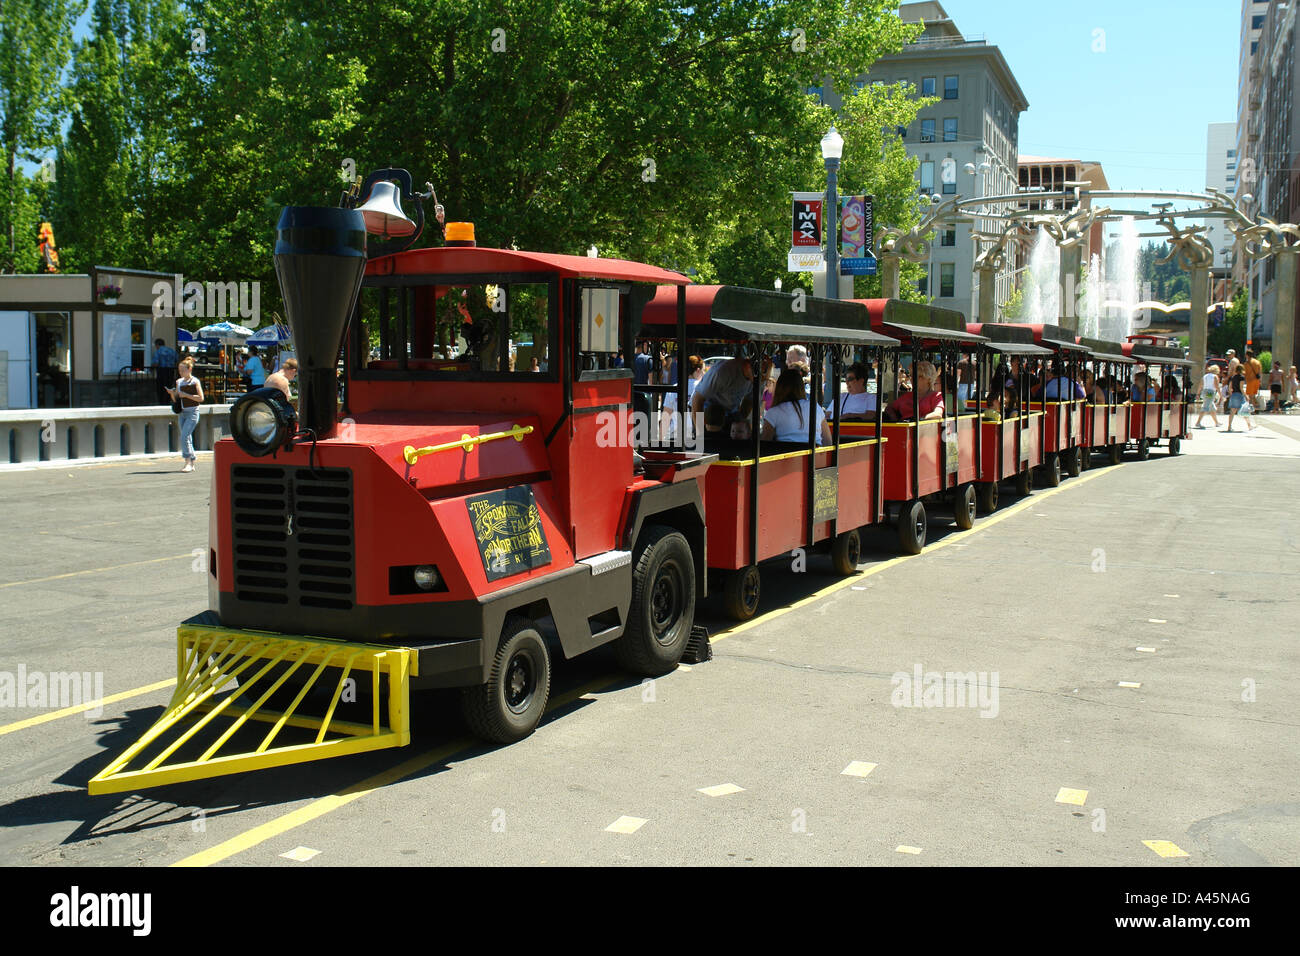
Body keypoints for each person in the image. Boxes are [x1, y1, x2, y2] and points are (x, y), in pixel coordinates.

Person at [762, 367, 830, 445]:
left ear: (779, 388)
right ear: (801, 387)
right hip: (815, 455)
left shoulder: (774, 412)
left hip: (787, 455)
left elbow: (765, 443)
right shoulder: (814, 407)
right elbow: (828, 440)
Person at [691, 356, 753, 434]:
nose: (762, 380)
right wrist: (700, 433)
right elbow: (697, 399)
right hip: (708, 411)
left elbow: (749, 402)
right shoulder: (723, 371)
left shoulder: (759, 379)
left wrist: (740, 424)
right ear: (748, 366)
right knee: (714, 415)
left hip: (730, 411)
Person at [164, 356, 204, 473]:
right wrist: (172, 394)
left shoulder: (195, 381)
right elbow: (176, 399)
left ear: (189, 369)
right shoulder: (179, 382)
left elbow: (201, 398)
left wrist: (186, 395)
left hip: (192, 412)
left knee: (184, 436)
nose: (181, 373)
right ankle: (191, 462)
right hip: (182, 412)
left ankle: (188, 461)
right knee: (187, 437)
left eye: (183, 370)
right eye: (179, 370)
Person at [1224, 364, 1256, 432]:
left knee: (1232, 412)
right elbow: (1241, 388)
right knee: (1245, 411)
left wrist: (1230, 394)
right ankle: (1249, 426)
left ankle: (1229, 427)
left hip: (1233, 395)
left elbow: (1230, 387)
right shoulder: (1242, 377)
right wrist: (1246, 395)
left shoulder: (1233, 377)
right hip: (1239, 395)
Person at [152, 338, 177, 404]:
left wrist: (152, 367)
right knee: (169, 387)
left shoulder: (158, 351)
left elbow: (156, 363)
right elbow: (177, 360)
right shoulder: (172, 351)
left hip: (162, 371)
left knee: (160, 388)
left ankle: (162, 402)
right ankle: (168, 401)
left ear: (157, 344)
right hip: (170, 371)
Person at [1195, 364, 1220, 428]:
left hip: (1204, 391)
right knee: (1206, 407)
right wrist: (1220, 394)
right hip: (1210, 392)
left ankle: (1216, 422)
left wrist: (1198, 394)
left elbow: (1200, 385)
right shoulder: (1215, 376)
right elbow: (1217, 386)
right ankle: (1198, 422)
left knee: (1212, 407)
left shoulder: (1205, 376)